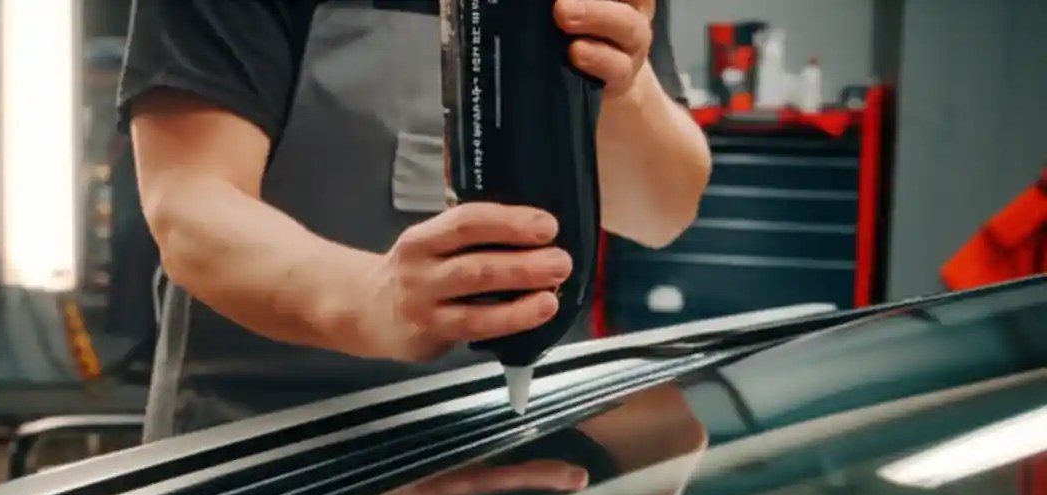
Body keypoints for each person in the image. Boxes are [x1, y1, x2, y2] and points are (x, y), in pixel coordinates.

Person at [119, 0, 711, 440]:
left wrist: (625, 89)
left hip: (512, 444)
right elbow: (192, 205)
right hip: (262, 459)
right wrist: (373, 299)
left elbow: (661, 213)